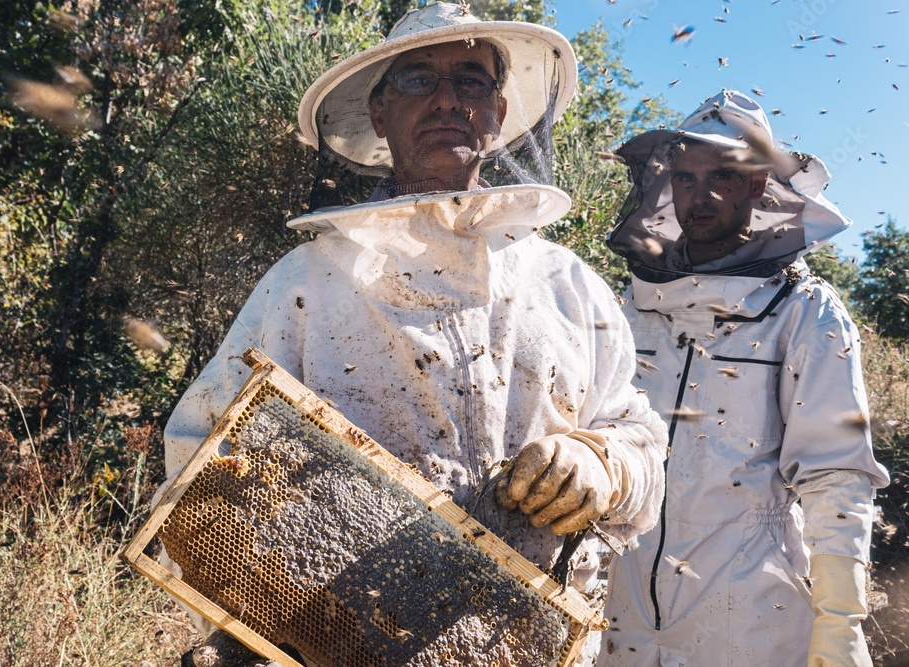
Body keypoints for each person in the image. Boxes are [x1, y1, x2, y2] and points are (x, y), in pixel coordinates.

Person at [162, 3, 667, 664]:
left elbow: (644, 453)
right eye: (416, 79)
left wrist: (604, 464)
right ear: (378, 113)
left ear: (500, 109)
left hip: (525, 645)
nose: (445, 99)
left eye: (471, 80)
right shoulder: (306, 281)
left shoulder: (567, 284)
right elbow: (199, 457)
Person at [601, 90, 890, 666]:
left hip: (750, 616)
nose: (699, 196)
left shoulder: (806, 311)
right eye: (685, 178)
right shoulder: (628, 310)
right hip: (620, 609)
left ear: (758, 185)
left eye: (723, 178)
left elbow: (835, 474)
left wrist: (840, 622)